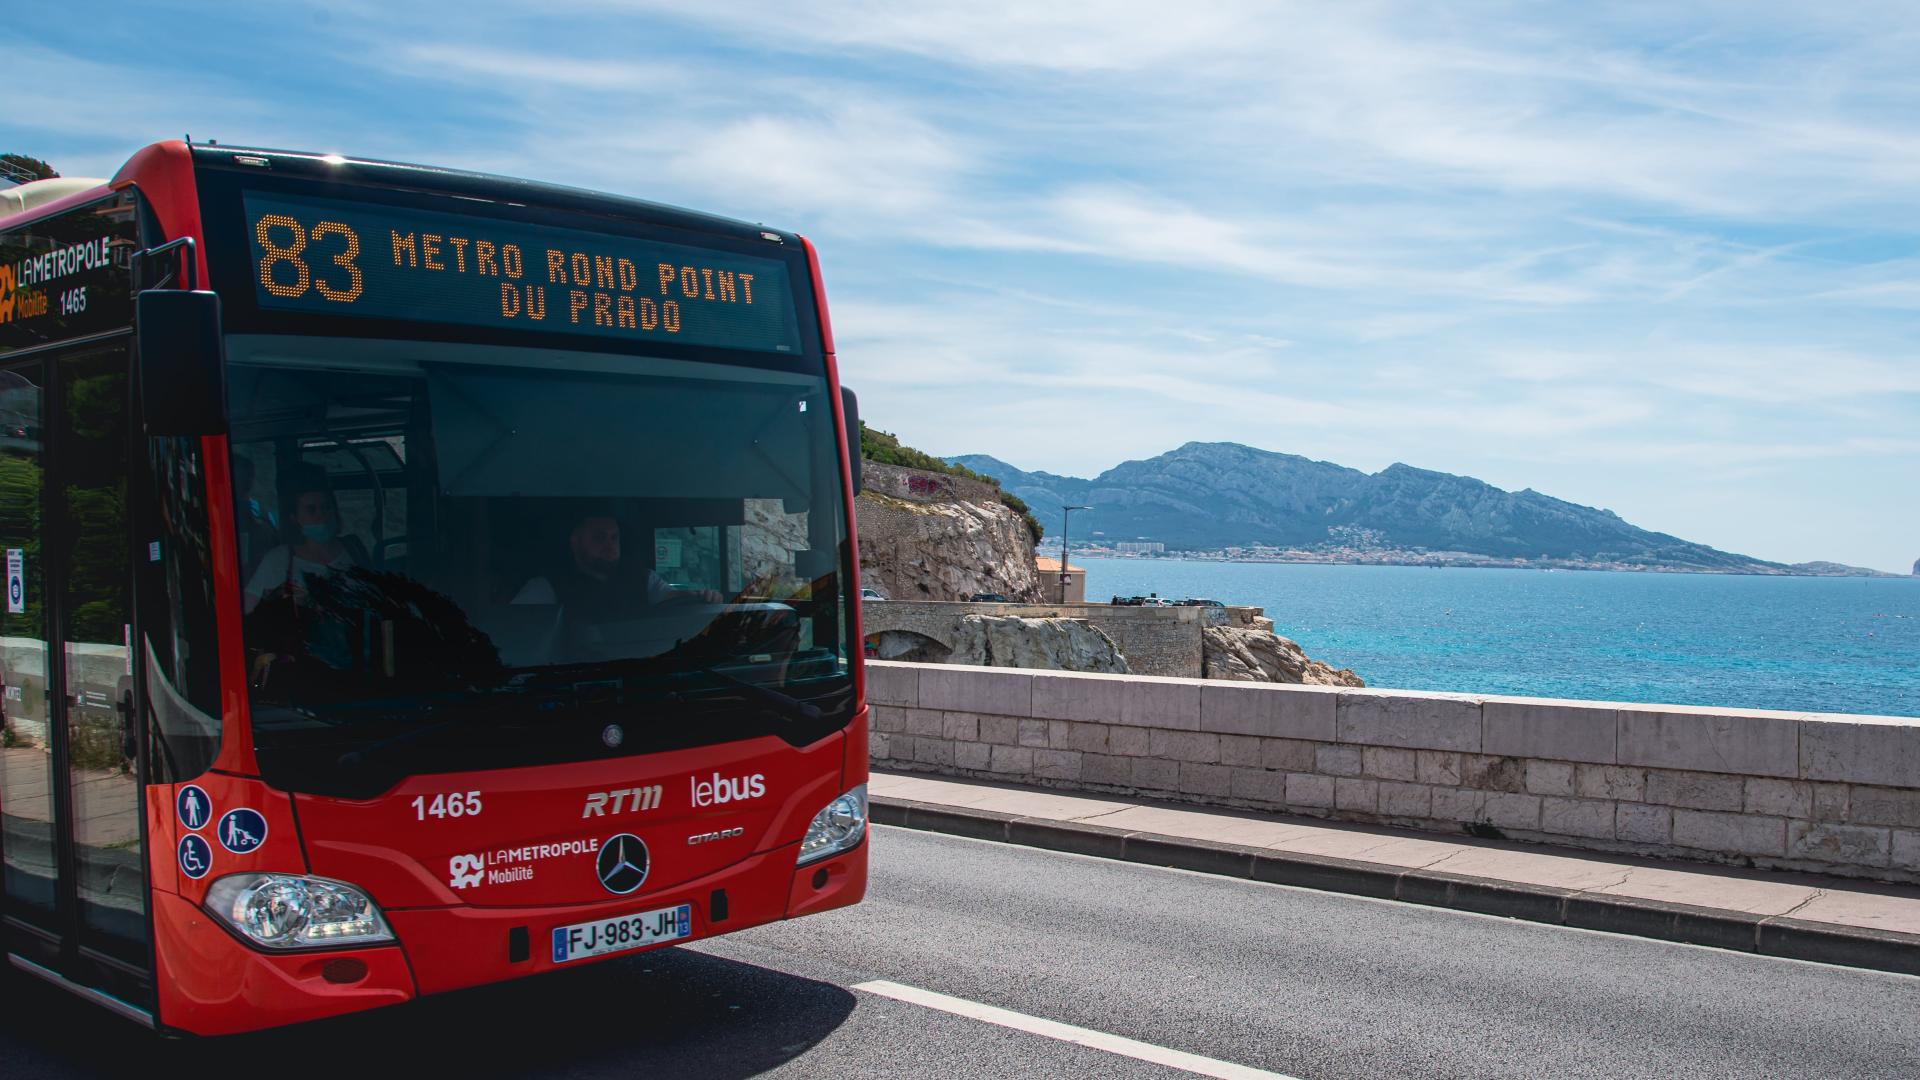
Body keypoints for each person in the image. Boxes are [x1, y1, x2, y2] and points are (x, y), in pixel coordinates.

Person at [513, 513, 723, 617]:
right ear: (575, 542)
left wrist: (701, 598)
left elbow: (671, 598)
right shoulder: (544, 588)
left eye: (614, 538)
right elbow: (519, 635)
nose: (610, 546)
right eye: (599, 538)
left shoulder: (644, 579)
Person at [243, 471, 364, 615]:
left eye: (326, 507)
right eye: (311, 510)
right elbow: (249, 611)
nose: (321, 515)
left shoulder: (353, 549)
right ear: (295, 518)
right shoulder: (278, 559)